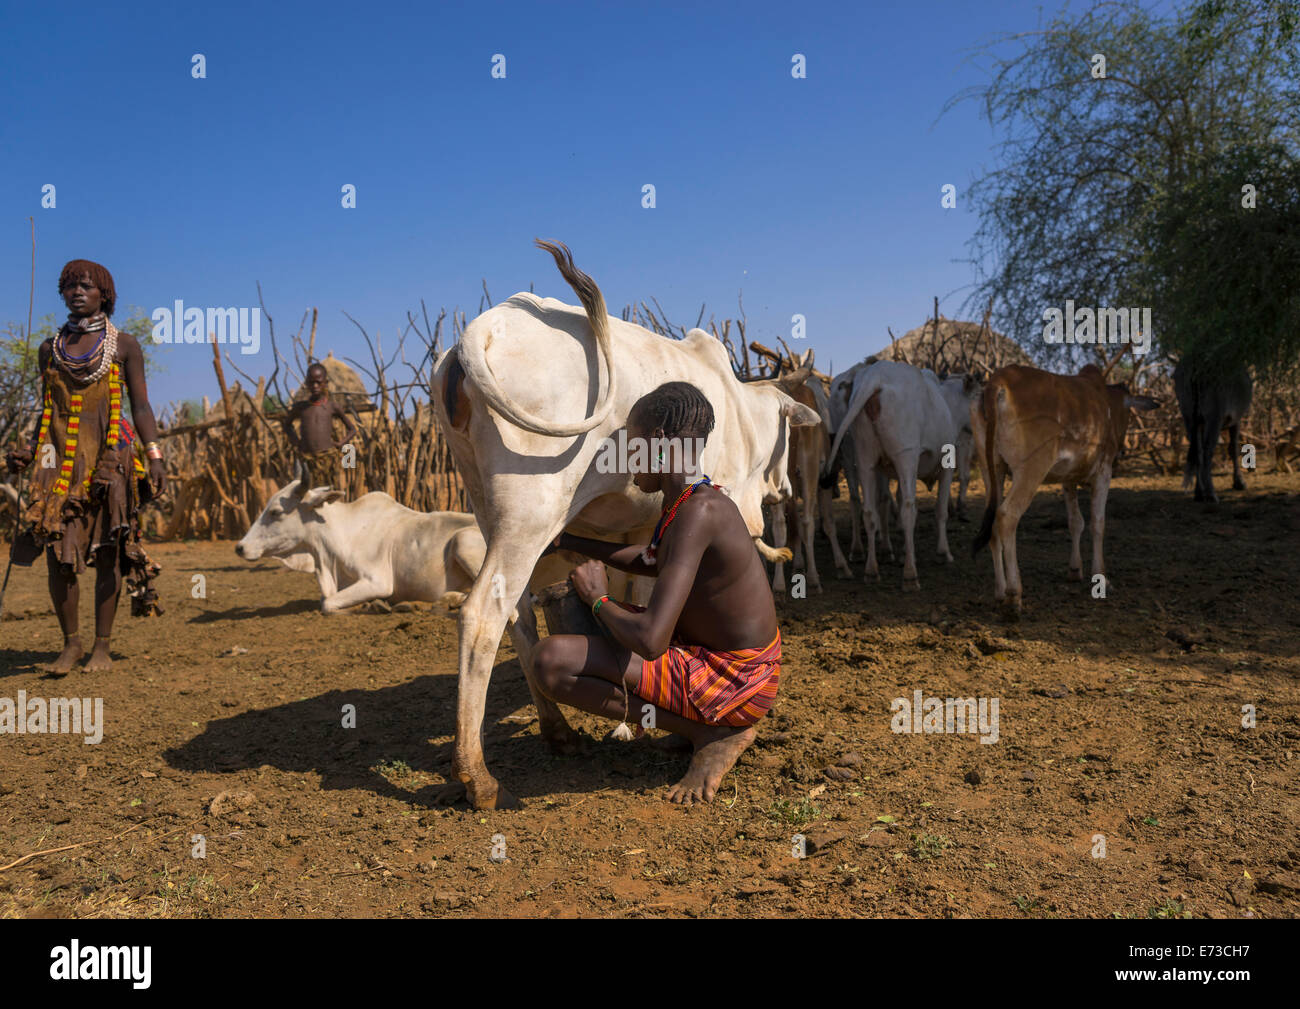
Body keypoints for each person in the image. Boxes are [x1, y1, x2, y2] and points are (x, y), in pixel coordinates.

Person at [532, 382, 782, 804]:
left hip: (736, 680)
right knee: (596, 629)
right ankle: (699, 725)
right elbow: (653, 560)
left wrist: (599, 597)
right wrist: (574, 543)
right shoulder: (694, 500)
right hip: (729, 666)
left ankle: (708, 732)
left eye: (634, 444)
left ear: (659, 444)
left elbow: (651, 641)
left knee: (550, 662)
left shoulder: (696, 512)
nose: (629, 458)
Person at [5, 260, 165, 673]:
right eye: (70, 285)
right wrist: (29, 450)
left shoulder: (124, 345)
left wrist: (154, 454)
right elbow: (47, 412)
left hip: (109, 462)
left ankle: (102, 647)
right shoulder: (49, 349)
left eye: (87, 286)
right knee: (59, 554)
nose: (78, 291)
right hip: (57, 463)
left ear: (104, 295)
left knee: (109, 552)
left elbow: (141, 405)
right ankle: (70, 644)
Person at [281, 362, 357, 490]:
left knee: (329, 494)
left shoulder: (332, 406)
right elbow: (287, 425)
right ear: (306, 383)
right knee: (305, 496)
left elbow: (352, 429)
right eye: (311, 382)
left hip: (327, 460)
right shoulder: (301, 407)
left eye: (318, 382)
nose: (315, 386)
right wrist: (297, 442)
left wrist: (340, 444)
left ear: (325, 383)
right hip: (306, 459)